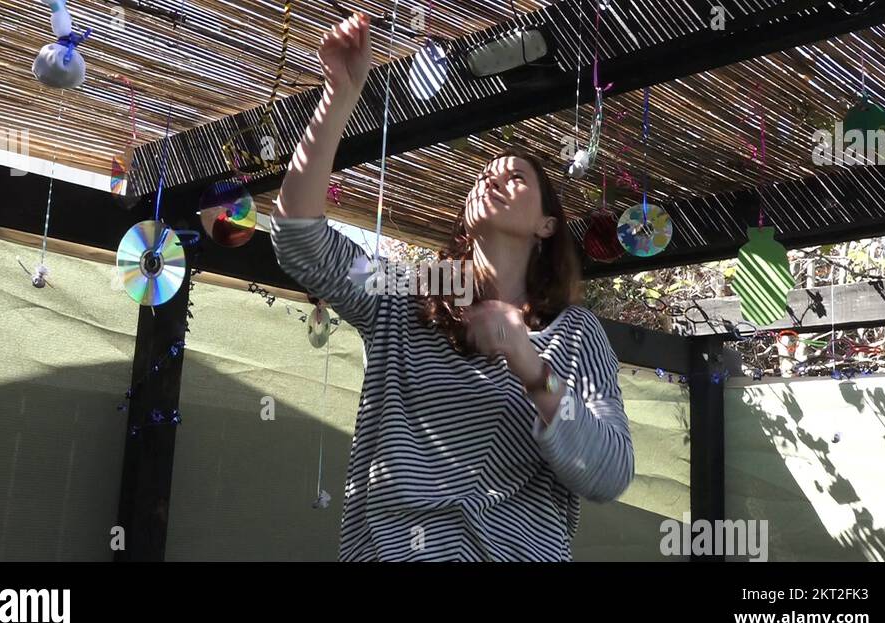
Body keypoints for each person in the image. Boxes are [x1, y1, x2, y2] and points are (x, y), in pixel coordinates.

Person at [271, 13, 633, 561]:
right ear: (465, 218)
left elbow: (608, 475)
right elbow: (300, 240)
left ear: (547, 226)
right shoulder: (408, 292)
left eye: (517, 177)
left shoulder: (578, 335)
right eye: (486, 174)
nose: (494, 177)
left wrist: (529, 366)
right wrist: (338, 97)